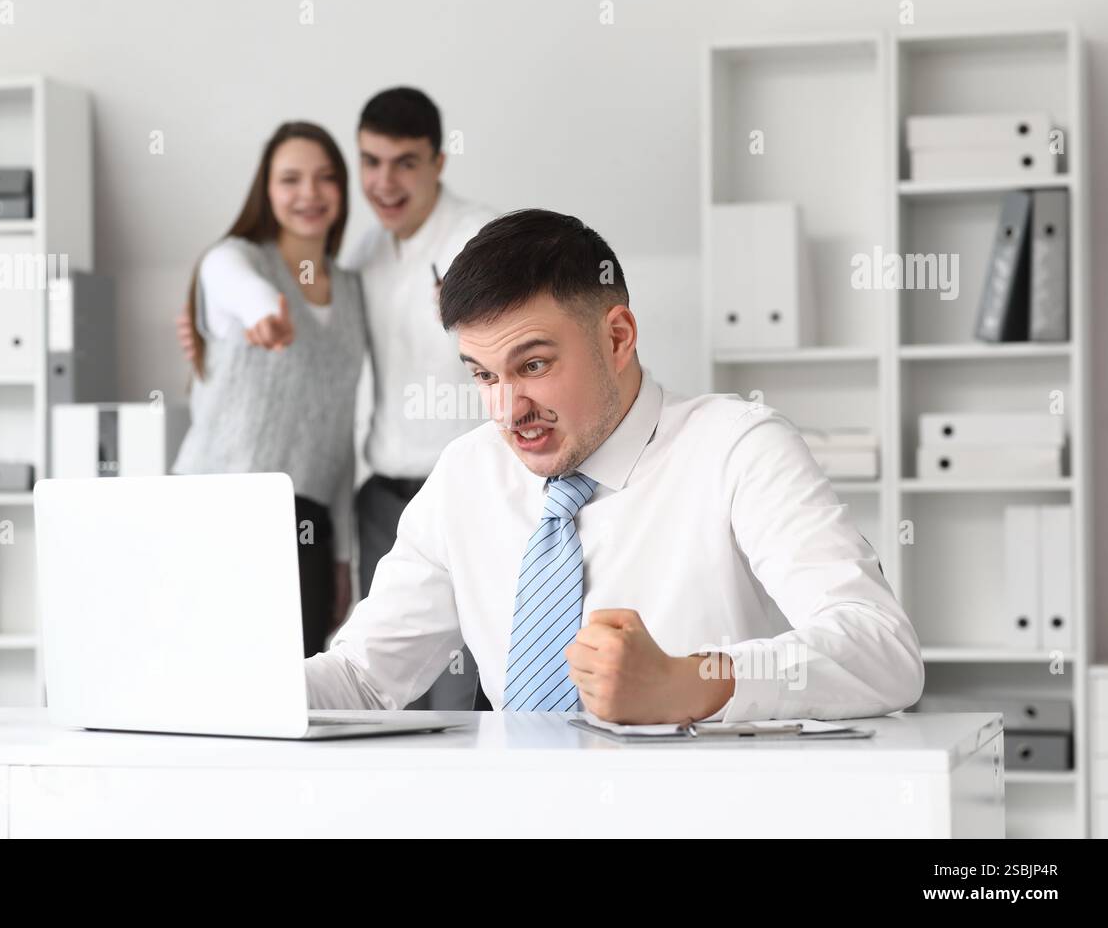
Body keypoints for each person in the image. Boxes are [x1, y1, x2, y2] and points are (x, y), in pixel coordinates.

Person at [304, 209, 925, 722]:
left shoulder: (737, 448)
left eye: (534, 366)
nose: (507, 410)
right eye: (484, 376)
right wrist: (244, 695)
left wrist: (699, 681)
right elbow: (363, 675)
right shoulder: (466, 474)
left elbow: (883, 650)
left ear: (618, 337)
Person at [176, 88, 496, 709]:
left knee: (451, 696)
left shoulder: (477, 240)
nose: (385, 180)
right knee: (361, 690)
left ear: (438, 161)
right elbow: (232, 285)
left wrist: (468, 315)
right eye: (371, 161)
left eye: (405, 161)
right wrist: (241, 314)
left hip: (447, 489)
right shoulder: (357, 257)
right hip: (362, 500)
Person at [172, 121, 366, 658]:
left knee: (291, 691)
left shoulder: (352, 290)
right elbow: (242, 290)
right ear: (267, 189)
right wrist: (263, 313)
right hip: (217, 504)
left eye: (326, 178)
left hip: (306, 522)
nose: (309, 193)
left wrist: (343, 556)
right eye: (290, 179)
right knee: (206, 676)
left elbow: (341, 428)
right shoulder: (235, 259)